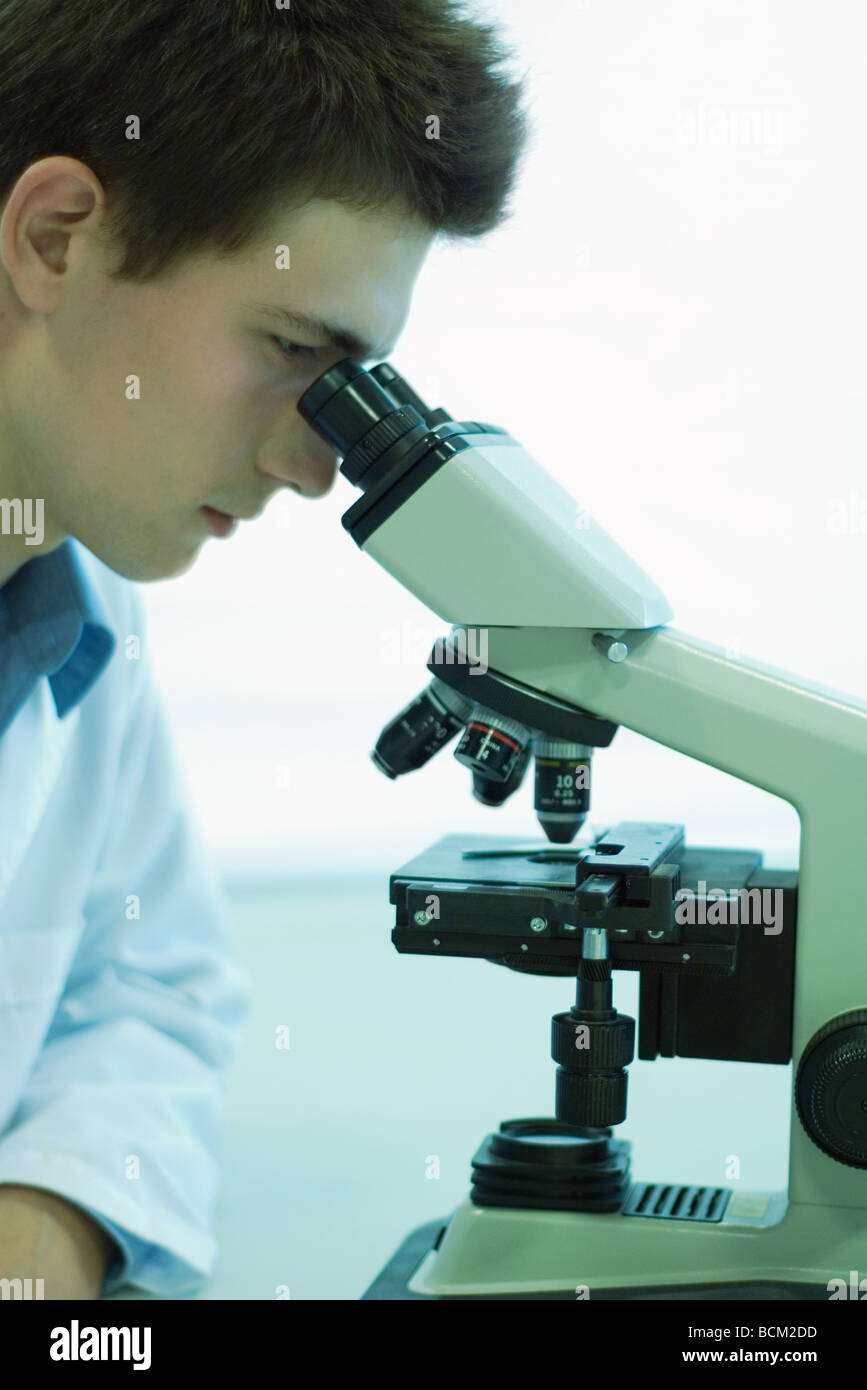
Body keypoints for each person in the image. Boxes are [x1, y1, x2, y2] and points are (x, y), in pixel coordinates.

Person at [0, 0, 529, 1297]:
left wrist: (49, 1227)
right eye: (295, 351)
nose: (311, 464)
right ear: (57, 238)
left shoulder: (78, 616)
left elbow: (147, 985)